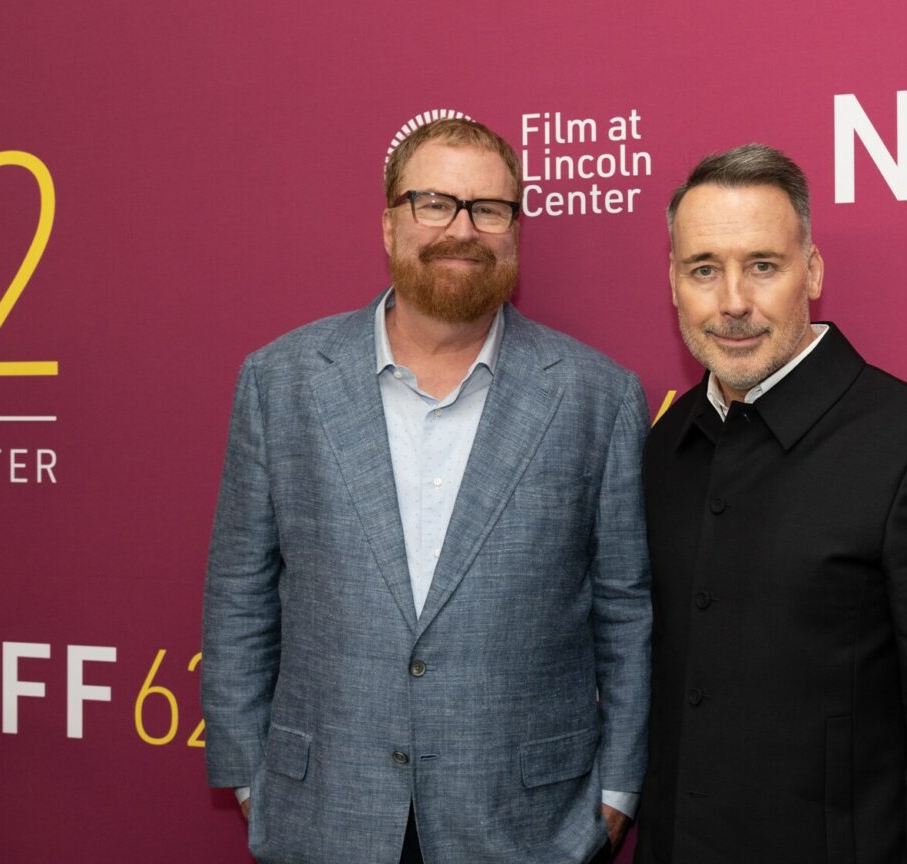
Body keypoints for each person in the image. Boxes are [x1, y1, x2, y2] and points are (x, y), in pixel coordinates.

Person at [201, 117, 650, 864]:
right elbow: (239, 593)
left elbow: (625, 610)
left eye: (488, 208)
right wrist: (251, 777)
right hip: (324, 815)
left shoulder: (598, 397)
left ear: (515, 230)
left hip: (529, 825)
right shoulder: (280, 382)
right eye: (434, 203)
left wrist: (616, 795)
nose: (461, 229)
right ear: (389, 224)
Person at [636, 144, 907, 864]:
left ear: (811, 271)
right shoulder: (667, 445)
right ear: (674, 283)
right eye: (703, 269)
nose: (733, 302)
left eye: (763, 266)